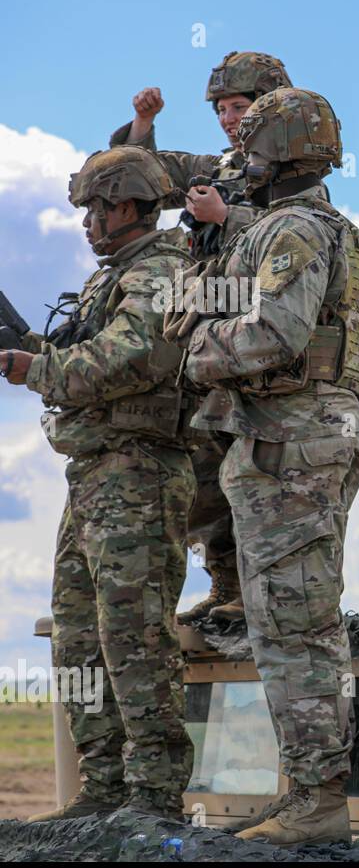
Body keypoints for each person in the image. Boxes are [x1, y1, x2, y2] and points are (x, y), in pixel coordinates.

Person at [171, 87, 359, 845]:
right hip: (287, 442)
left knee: (296, 627)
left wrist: (192, 350)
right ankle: (307, 793)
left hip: (292, 447)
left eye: (248, 148)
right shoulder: (316, 226)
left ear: (271, 153)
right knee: (287, 622)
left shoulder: (292, 229)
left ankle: (318, 801)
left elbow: (277, 334)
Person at [2, 148, 195, 821]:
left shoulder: (164, 271)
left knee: (135, 635)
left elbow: (138, 354)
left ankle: (153, 792)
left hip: (138, 470)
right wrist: (29, 350)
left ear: (128, 206)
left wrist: (37, 371)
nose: (87, 222)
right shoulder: (109, 277)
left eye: (95, 208)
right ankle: (104, 785)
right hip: (92, 473)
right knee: (79, 637)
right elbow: (89, 355)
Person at [113, 50, 294, 627]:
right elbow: (139, 175)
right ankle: (224, 585)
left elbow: (299, 238)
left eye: (239, 107)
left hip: (258, 343)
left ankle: (255, 592)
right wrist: (142, 125)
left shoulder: (292, 168)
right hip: (208, 344)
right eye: (220, 108)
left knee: (252, 472)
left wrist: (224, 218)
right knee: (207, 465)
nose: (227, 119)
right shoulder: (216, 167)